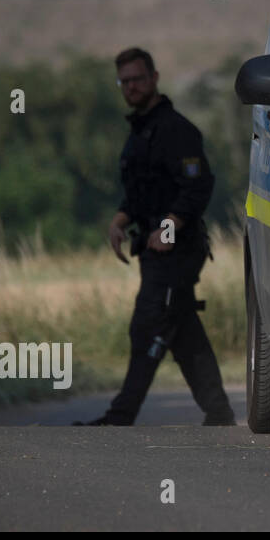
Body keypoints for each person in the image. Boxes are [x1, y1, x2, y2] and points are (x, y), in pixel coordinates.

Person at [75, 48, 235, 426]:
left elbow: (197, 188)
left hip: (177, 250)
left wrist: (167, 229)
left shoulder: (175, 130)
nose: (131, 87)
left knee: (149, 322)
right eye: (124, 81)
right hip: (153, 250)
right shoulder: (140, 132)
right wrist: (119, 221)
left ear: (154, 78)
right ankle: (220, 413)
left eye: (137, 79)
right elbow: (140, 193)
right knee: (181, 330)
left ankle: (120, 416)